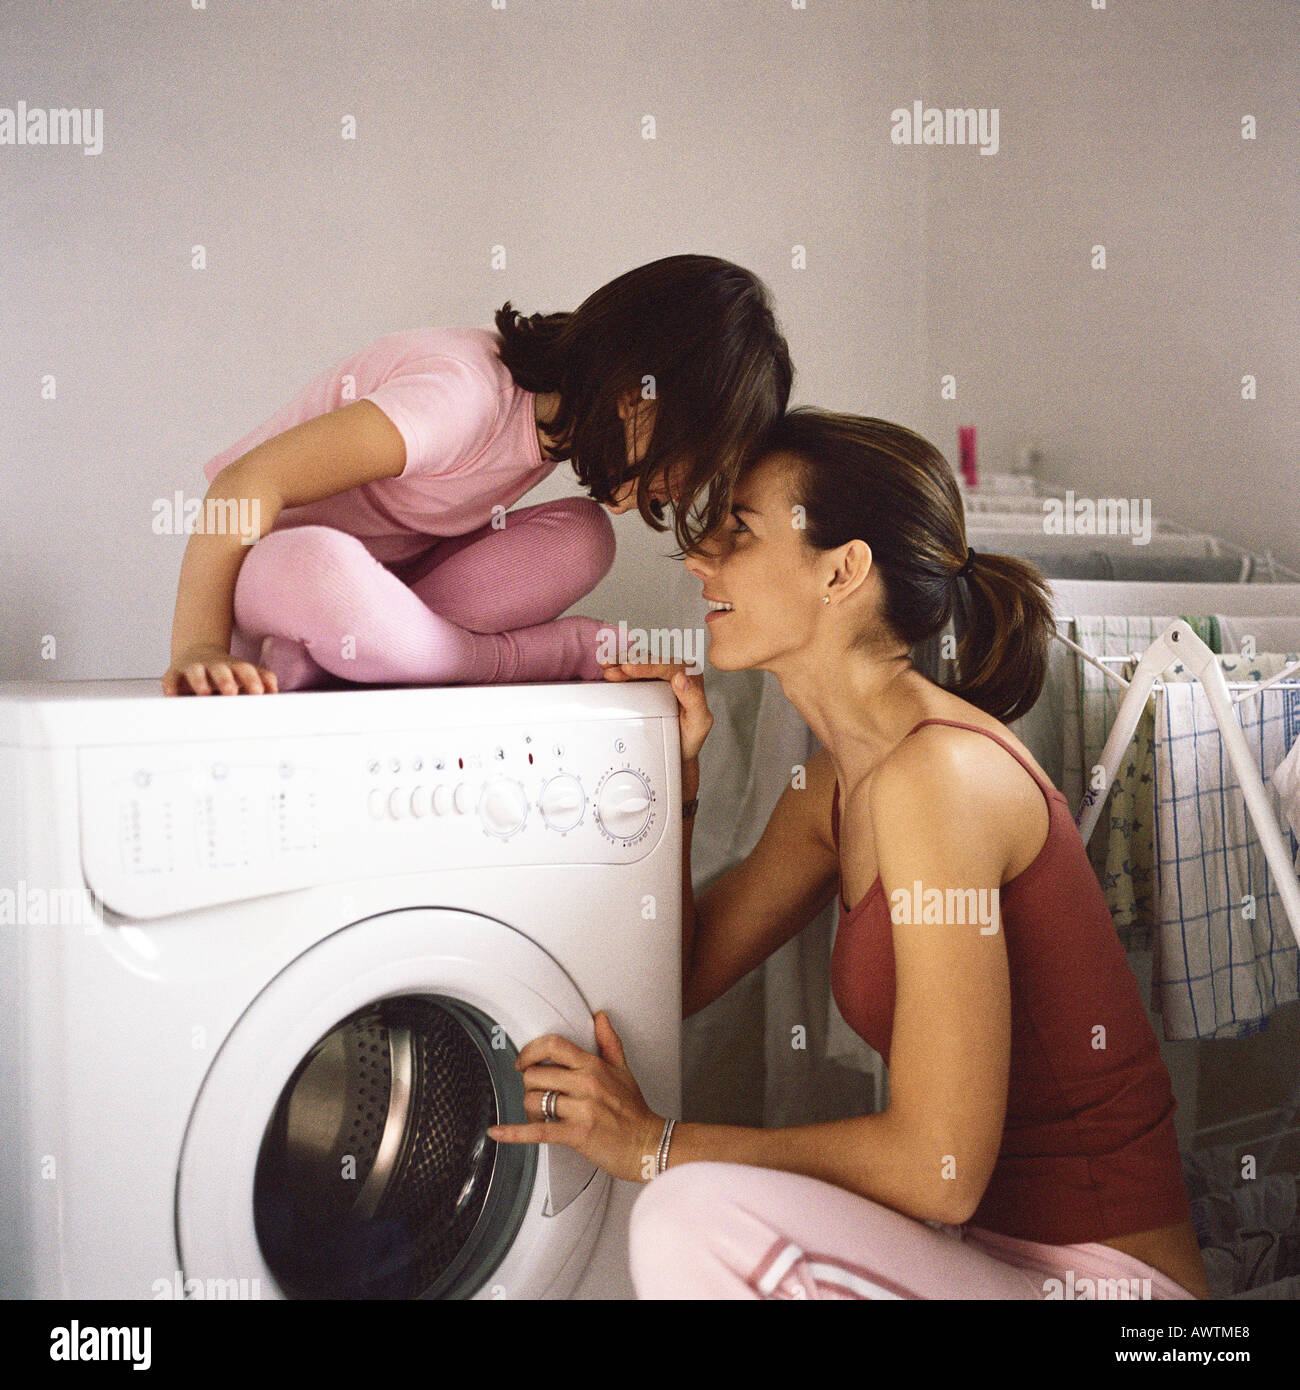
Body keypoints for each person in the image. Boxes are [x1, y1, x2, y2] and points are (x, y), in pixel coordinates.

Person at [487, 407, 1211, 1301]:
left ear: (844, 571)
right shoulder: (839, 785)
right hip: (982, 1258)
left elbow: (937, 1169)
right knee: (691, 1204)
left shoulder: (937, 778)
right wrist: (675, 778)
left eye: (738, 530)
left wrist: (656, 1144)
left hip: (1123, 1298)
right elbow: (669, 976)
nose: (698, 558)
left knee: (686, 1209)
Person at [161, 254, 792, 696]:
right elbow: (246, 481)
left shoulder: (548, 427)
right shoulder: (460, 397)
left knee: (585, 537)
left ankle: (355, 661)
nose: (683, 488)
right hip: (280, 578)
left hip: (392, 596)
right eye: (695, 459)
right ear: (638, 398)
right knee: (324, 565)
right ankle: (501, 657)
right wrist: (197, 648)